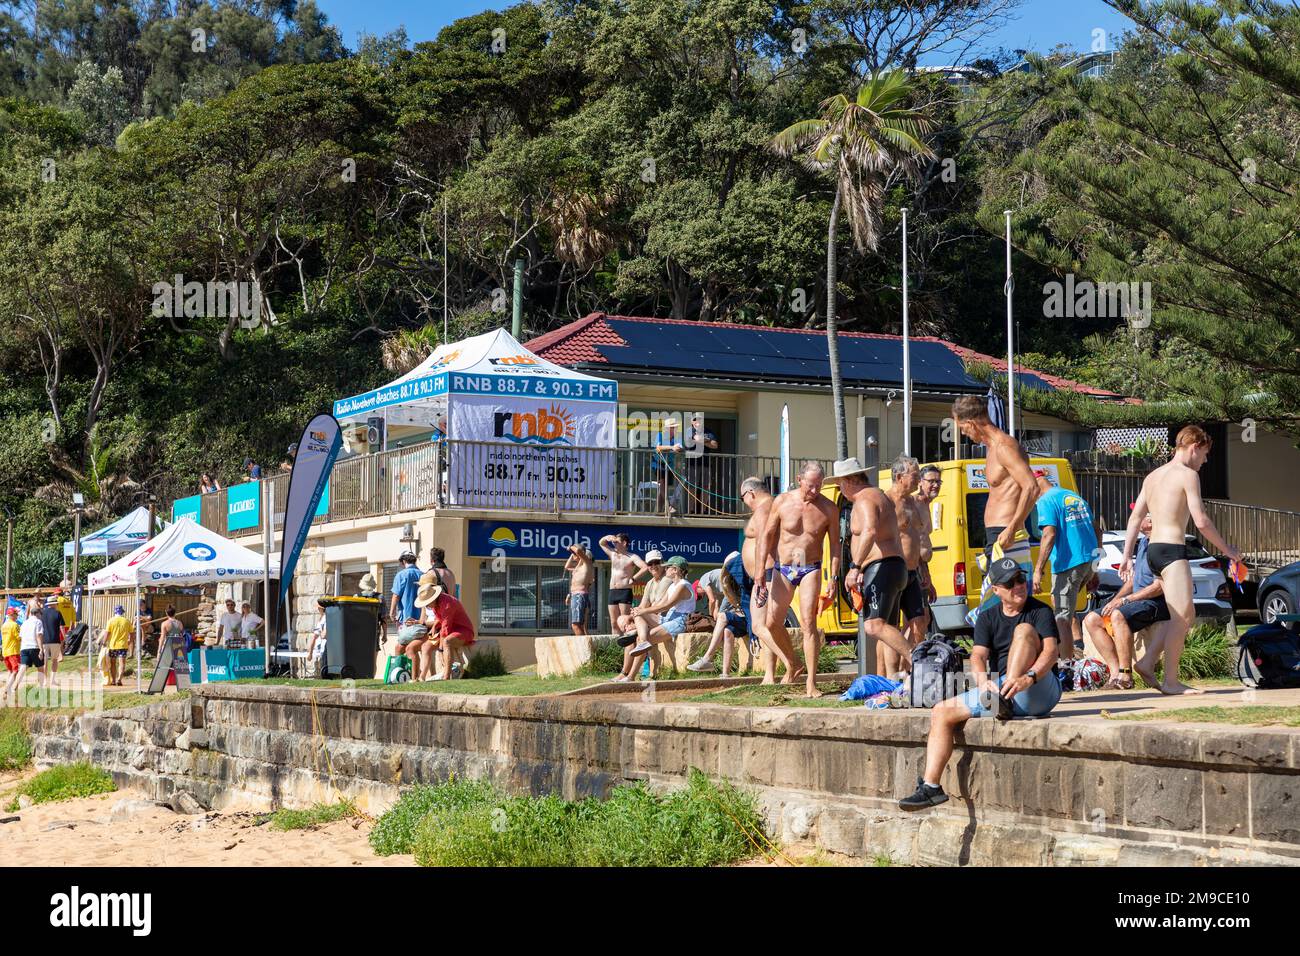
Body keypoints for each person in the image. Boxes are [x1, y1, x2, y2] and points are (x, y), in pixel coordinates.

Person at [900, 557, 1062, 811]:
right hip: (1003, 694)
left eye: (1021, 579)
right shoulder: (987, 617)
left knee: (1024, 631)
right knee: (941, 712)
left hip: (1038, 687)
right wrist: (983, 681)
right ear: (996, 590)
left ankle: (1005, 694)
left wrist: (1026, 678)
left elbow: (1051, 652)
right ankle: (931, 787)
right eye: (1011, 583)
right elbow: (977, 656)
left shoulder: (1040, 610)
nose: (1019, 586)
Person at [1120, 425, 1242, 695]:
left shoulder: (1152, 476)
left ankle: (1148, 662)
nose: (1205, 461)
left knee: (1179, 614)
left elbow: (1135, 518)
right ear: (1194, 447)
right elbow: (1201, 521)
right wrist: (1228, 550)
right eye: (1205, 454)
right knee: (1184, 616)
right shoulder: (1188, 475)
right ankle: (1171, 681)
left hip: (1152, 552)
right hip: (1172, 550)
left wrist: (1127, 556)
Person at [755, 461, 839, 698]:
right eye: (811, 485)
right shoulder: (782, 502)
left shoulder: (828, 509)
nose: (814, 491)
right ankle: (794, 662)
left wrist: (832, 577)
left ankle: (811, 683)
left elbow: (834, 547)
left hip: (810, 568)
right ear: (799, 479)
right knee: (771, 622)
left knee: (808, 623)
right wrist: (761, 571)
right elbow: (767, 536)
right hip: (784, 568)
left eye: (819, 486)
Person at [951, 395, 1039, 621]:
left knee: (1004, 605)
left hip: (1007, 534)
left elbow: (1031, 487)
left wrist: (1012, 528)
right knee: (997, 608)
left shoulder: (1004, 447)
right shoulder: (992, 449)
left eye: (962, 427)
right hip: (998, 536)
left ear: (970, 423)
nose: (962, 433)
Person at [831, 458, 914, 676]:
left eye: (840, 484)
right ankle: (890, 679)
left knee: (873, 626)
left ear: (849, 481)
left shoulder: (865, 499)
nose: (841, 490)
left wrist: (855, 567)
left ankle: (918, 659)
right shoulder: (880, 496)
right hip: (893, 566)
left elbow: (869, 531)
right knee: (887, 629)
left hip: (882, 567)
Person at [1084, 514, 1167, 690]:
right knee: (1092, 619)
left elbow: (1159, 587)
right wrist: (1115, 599)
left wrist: (1124, 601)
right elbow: (1134, 579)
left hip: (1156, 602)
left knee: (1118, 614)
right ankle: (1115, 674)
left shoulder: (1160, 546)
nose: (1134, 519)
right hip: (1138, 601)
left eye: (1141, 516)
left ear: (1151, 521)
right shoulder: (1144, 542)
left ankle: (1126, 675)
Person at [1031, 470, 1099, 664]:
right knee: (1064, 605)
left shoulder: (1045, 501)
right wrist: (1095, 566)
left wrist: (1038, 570)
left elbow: (1049, 535)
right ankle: (1076, 648)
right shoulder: (1072, 496)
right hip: (1087, 560)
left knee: (1061, 616)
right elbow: (1097, 530)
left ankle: (1066, 666)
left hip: (1069, 563)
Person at [739, 475, 794, 684]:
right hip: (766, 574)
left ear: (751, 493)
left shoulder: (763, 509)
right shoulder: (769, 506)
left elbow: (765, 540)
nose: (744, 502)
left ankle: (792, 663)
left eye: (743, 497)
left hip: (767, 574)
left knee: (759, 626)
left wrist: (760, 574)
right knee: (769, 626)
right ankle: (770, 674)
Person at [619, 556, 695, 682]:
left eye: (668, 567)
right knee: (639, 615)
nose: (665, 569)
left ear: (675, 570)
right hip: (669, 618)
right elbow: (660, 606)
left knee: (642, 635)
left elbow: (667, 605)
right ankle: (642, 640)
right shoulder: (673, 586)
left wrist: (643, 610)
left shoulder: (683, 585)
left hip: (680, 621)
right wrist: (638, 611)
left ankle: (631, 676)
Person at [886, 455, 930, 664]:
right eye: (915, 475)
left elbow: (917, 540)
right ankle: (886, 675)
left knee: (920, 622)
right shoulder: (888, 501)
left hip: (913, 572)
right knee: (889, 629)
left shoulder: (912, 501)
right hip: (894, 571)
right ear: (899, 476)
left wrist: (926, 573)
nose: (919, 479)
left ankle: (909, 670)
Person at [688, 551, 746, 676]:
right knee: (725, 627)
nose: (701, 597)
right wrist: (717, 610)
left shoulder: (703, 580)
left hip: (731, 591)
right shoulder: (713, 579)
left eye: (699, 596)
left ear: (697, 587)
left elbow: (712, 600)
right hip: (730, 591)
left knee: (721, 616)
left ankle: (707, 658)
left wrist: (711, 615)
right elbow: (717, 598)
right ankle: (725, 673)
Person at [614, 550, 669, 679]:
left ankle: (629, 675)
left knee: (636, 630)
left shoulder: (668, 580)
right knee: (626, 624)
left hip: (665, 619)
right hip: (651, 619)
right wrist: (629, 618)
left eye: (657, 562)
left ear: (662, 563)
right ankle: (625, 674)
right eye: (650, 564)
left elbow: (662, 606)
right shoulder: (650, 583)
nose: (653, 566)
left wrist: (637, 614)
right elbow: (643, 605)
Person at [416, 577, 475, 681]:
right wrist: (434, 626)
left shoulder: (447, 603)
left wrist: (440, 649)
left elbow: (445, 630)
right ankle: (422, 677)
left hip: (463, 631)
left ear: (433, 598)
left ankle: (446, 676)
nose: (426, 605)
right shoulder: (435, 605)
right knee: (426, 646)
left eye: (427, 602)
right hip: (451, 631)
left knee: (446, 642)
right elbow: (440, 619)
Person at [599, 533, 648, 634]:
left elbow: (645, 567)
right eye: (613, 542)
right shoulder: (613, 554)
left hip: (624, 591)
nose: (614, 544)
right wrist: (607, 537)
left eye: (616, 542)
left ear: (624, 543)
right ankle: (615, 647)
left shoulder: (632, 557)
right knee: (613, 622)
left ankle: (626, 644)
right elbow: (601, 543)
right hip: (613, 591)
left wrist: (633, 578)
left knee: (625, 622)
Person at [683, 413, 718, 515]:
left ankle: (702, 511)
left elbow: (715, 445)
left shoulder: (708, 431)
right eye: (695, 420)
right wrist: (706, 441)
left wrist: (700, 440)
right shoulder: (689, 431)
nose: (697, 422)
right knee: (692, 488)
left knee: (706, 487)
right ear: (691, 422)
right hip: (692, 464)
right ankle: (690, 511)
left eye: (699, 419)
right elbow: (693, 440)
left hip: (706, 464)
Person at [652, 417, 685, 515]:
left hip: (669, 466)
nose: (675, 429)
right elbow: (658, 448)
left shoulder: (677, 438)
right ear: (667, 429)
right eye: (672, 427)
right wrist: (671, 447)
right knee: (663, 483)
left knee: (664, 487)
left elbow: (681, 447)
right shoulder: (660, 435)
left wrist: (679, 449)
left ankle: (658, 512)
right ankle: (668, 505)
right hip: (658, 464)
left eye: (675, 427)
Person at [563, 543, 595, 635]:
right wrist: (572, 554)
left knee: (576, 625)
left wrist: (570, 547)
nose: (573, 556)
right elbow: (567, 567)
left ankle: (583, 648)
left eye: (574, 554)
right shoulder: (578, 567)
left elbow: (579, 551)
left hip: (580, 595)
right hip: (575, 595)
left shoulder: (587, 564)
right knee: (579, 625)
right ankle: (585, 646)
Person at [16, 600, 46, 694]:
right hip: (34, 647)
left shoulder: (24, 623)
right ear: (37, 613)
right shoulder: (38, 622)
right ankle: (41, 688)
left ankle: (14, 687)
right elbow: (39, 635)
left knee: (23, 668)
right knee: (40, 667)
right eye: (40, 613)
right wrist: (41, 649)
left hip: (24, 647)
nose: (41, 615)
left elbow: (20, 636)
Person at [101, 605, 133, 687]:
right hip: (123, 645)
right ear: (122, 612)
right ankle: (119, 679)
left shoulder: (111, 621)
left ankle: (114, 680)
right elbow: (132, 634)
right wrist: (130, 641)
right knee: (122, 663)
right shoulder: (127, 621)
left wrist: (104, 642)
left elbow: (107, 633)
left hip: (113, 645)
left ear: (115, 612)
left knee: (113, 663)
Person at [38, 593, 65, 685]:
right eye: (56, 603)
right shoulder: (58, 613)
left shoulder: (42, 613)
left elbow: (39, 626)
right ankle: (52, 680)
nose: (57, 605)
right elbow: (62, 627)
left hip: (44, 640)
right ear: (54, 604)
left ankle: (45, 681)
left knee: (45, 661)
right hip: (55, 640)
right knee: (54, 660)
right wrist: (64, 638)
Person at [358, 572, 386, 646]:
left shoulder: (356, 597)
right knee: (372, 654)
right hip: (374, 630)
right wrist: (385, 634)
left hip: (358, 630)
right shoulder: (380, 597)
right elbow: (383, 618)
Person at [2, 607, 21, 699]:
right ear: (12, 615)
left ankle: (7, 689)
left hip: (5, 651)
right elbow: (19, 637)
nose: (17, 616)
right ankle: (7, 689)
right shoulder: (15, 625)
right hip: (13, 651)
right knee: (15, 671)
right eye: (16, 614)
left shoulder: (4, 625)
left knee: (10, 671)